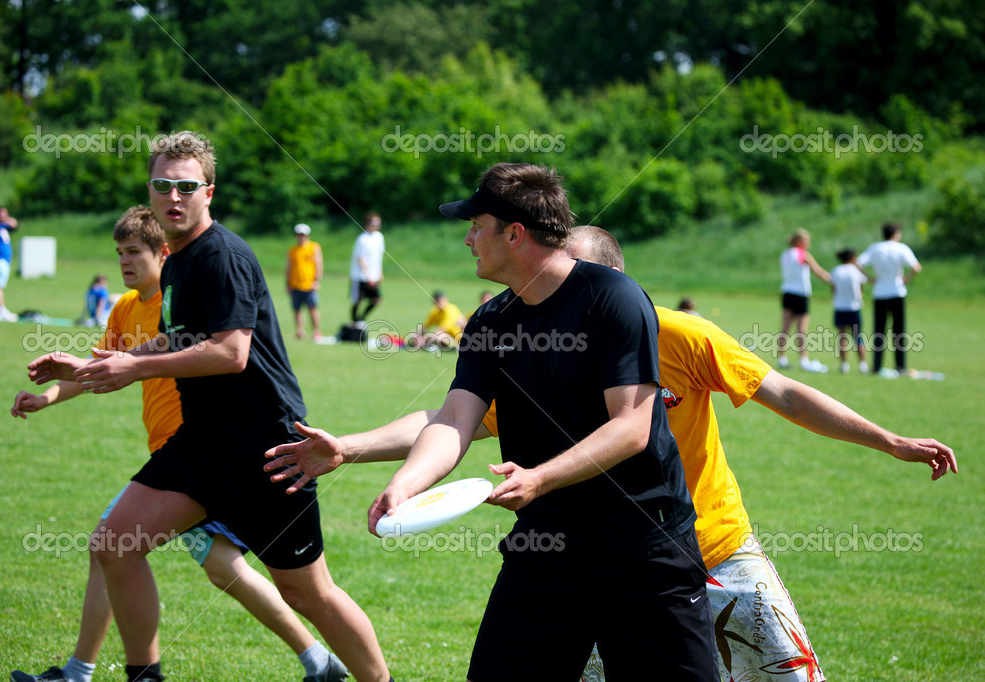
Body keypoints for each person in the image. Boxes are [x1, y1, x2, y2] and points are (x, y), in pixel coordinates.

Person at [266, 225, 957, 682]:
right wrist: (349, 447)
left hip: (716, 548)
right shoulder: (541, 349)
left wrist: (889, 440)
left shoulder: (681, 335)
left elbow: (785, 393)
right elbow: (453, 420)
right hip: (602, 565)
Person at [25, 132, 392, 682]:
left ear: (209, 192)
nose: (173, 196)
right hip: (203, 442)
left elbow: (230, 352)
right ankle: (144, 677)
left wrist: (135, 368)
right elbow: (178, 338)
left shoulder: (221, 254)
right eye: (162, 185)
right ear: (150, 190)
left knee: (307, 592)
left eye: (187, 187)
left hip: (266, 449)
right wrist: (95, 365)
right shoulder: (177, 261)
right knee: (115, 544)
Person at [343, 163, 719, 680]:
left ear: (514, 234)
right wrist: (407, 484)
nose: (468, 239)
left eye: (477, 226)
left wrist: (539, 478)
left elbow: (631, 427)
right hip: (545, 547)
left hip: (643, 549)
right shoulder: (490, 322)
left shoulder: (613, 298)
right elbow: (455, 418)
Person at [858, 223, 922, 378]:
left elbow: (858, 263)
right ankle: (900, 366)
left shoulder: (875, 248)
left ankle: (877, 366)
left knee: (879, 331)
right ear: (896, 233)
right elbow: (916, 268)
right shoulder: (901, 248)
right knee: (898, 331)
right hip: (897, 291)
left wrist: (870, 278)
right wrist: (905, 279)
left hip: (880, 292)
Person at [777, 229, 831, 373]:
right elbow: (818, 271)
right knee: (802, 329)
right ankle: (804, 360)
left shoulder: (785, 254)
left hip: (787, 292)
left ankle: (781, 358)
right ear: (798, 241)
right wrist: (833, 280)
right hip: (800, 294)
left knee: (785, 327)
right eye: (805, 240)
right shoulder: (803, 254)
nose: (808, 243)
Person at [830, 248, 869, 374]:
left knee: (842, 336)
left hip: (840, 307)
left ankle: (844, 364)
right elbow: (861, 287)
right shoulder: (856, 271)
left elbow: (833, 289)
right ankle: (863, 364)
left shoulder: (836, 271)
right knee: (858, 336)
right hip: (854, 307)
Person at [286, 222, 323, 340]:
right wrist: (288, 283)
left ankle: (316, 331)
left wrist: (316, 280)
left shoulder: (314, 247)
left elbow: (318, 264)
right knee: (297, 309)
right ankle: (300, 330)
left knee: (312, 308)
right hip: (295, 284)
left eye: (303, 235)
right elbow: (289, 267)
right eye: (299, 235)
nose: (301, 237)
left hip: (309, 285)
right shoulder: (292, 250)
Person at [349, 211, 385, 323]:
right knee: (358, 300)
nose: (377, 226)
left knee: (376, 299)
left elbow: (378, 257)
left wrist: (379, 272)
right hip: (360, 276)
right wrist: (368, 275)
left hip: (374, 276)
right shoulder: (362, 239)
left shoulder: (379, 237)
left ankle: (361, 319)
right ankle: (355, 322)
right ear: (367, 224)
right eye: (374, 223)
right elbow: (360, 258)